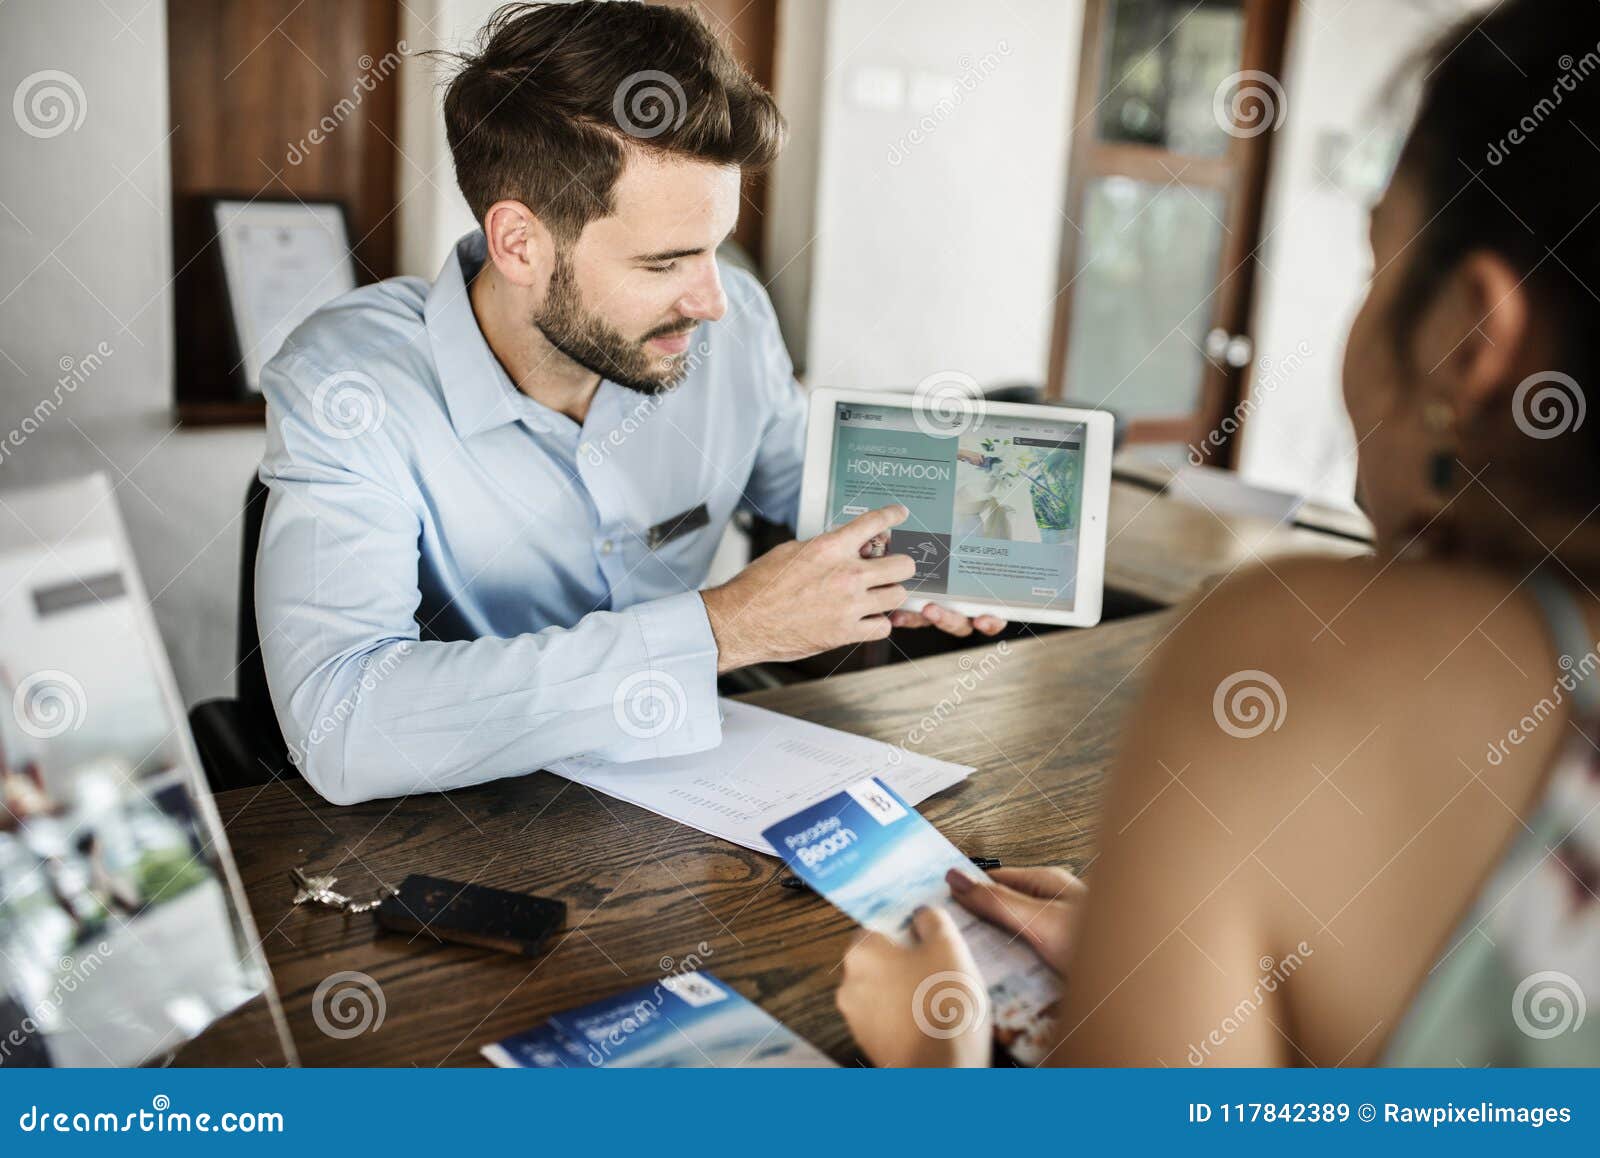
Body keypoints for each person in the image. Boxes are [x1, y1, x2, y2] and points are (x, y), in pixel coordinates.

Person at [837, 0, 1600, 1067]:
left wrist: (934, 1061)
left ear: (1470, 338)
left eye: (1374, 263)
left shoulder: (1296, 657)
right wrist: (1168, 957)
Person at [255, 2, 1003, 805]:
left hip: (700, 791)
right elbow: (341, 727)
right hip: (462, 822)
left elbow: (813, 493)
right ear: (519, 244)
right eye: (665, 263)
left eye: (715, 248)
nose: (714, 301)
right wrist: (721, 630)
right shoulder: (349, 387)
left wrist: (923, 562)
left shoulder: (735, 326)